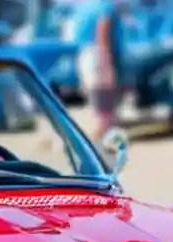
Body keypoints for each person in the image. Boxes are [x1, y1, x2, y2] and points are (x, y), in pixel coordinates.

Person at [74, 0, 129, 140]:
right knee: (105, 94)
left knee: (96, 94)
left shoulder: (85, 6)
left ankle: (103, 130)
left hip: (85, 52)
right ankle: (107, 133)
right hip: (99, 53)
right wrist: (106, 58)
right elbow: (102, 30)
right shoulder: (106, 6)